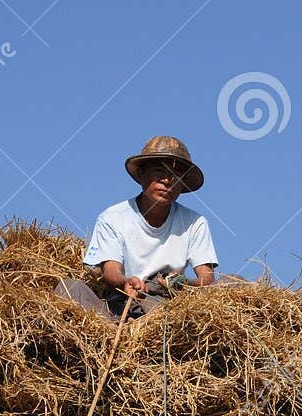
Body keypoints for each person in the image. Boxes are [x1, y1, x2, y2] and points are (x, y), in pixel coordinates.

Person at [82, 135, 218, 316]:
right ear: (141, 175)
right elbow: (110, 270)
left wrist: (183, 283)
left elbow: (207, 277)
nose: (167, 181)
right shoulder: (112, 218)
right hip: (121, 301)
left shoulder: (194, 223)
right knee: (71, 288)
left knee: (235, 283)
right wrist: (126, 282)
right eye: (158, 172)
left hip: (168, 305)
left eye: (175, 176)